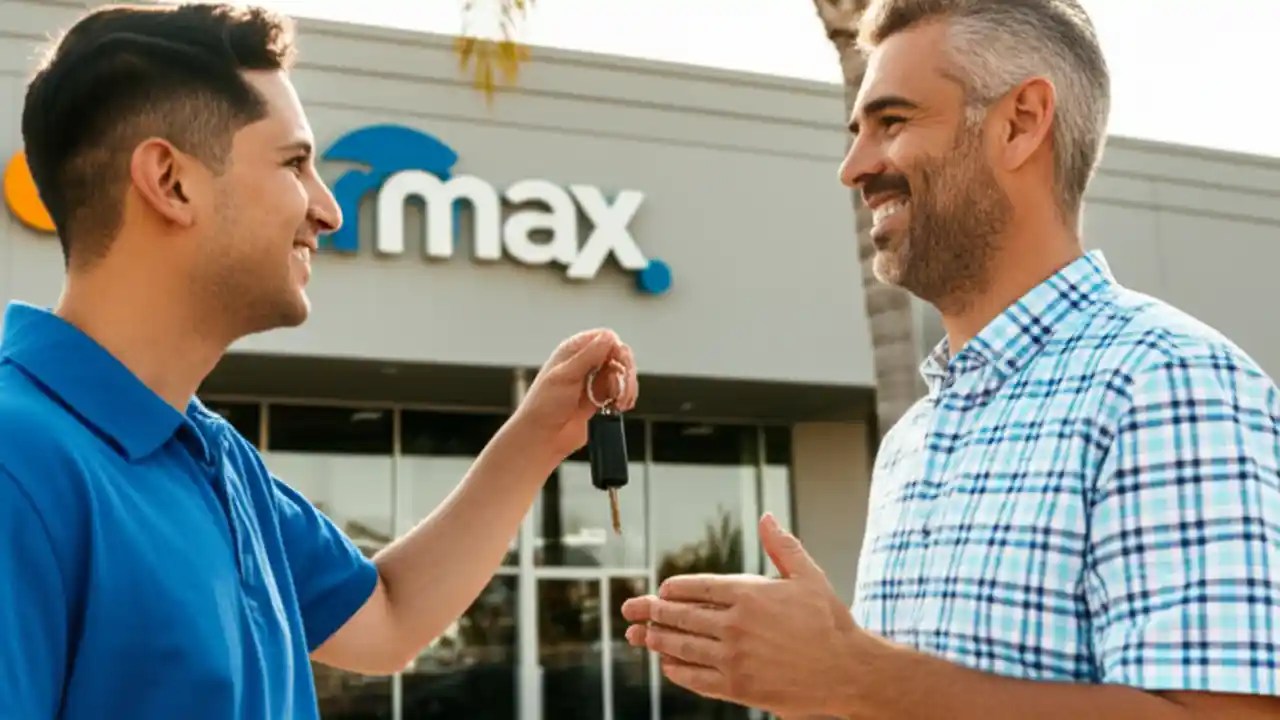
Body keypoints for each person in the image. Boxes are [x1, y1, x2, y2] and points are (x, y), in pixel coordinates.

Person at [621, 1, 1280, 718]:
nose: (854, 168)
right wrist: (821, 685)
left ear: (1020, 122)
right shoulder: (912, 441)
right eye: (857, 132)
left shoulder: (1168, 385)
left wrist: (851, 675)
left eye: (893, 122)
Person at [0, 4, 637, 719]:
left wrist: (542, 432)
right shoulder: (16, 465)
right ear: (171, 182)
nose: (328, 210)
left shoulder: (218, 461)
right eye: (294, 163)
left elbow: (389, 616)